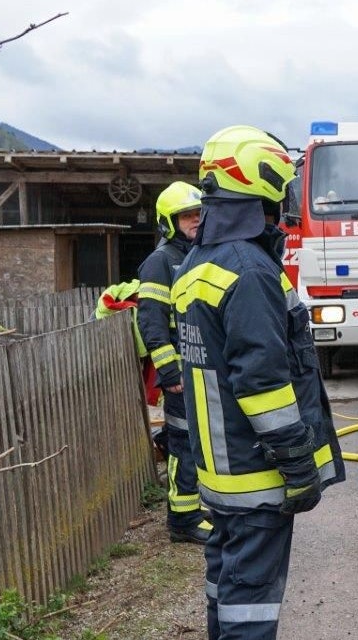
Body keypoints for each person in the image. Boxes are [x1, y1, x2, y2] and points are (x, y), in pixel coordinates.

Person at [174, 125, 344, 640]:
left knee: (225, 584)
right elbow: (263, 384)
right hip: (257, 477)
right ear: (262, 182)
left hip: (219, 472)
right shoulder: (250, 270)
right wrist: (297, 466)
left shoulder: (196, 263)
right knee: (251, 606)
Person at [137, 181, 212, 544]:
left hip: (203, 370)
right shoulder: (161, 261)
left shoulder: (203, 254)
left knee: (201, 441)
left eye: (199, 213)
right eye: (187, 216)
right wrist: (169, 371)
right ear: (170, 221)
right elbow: (151, 320)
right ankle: (182, 522)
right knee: (183, 443)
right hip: (181, 373)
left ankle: (196, 505)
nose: (195, 221)